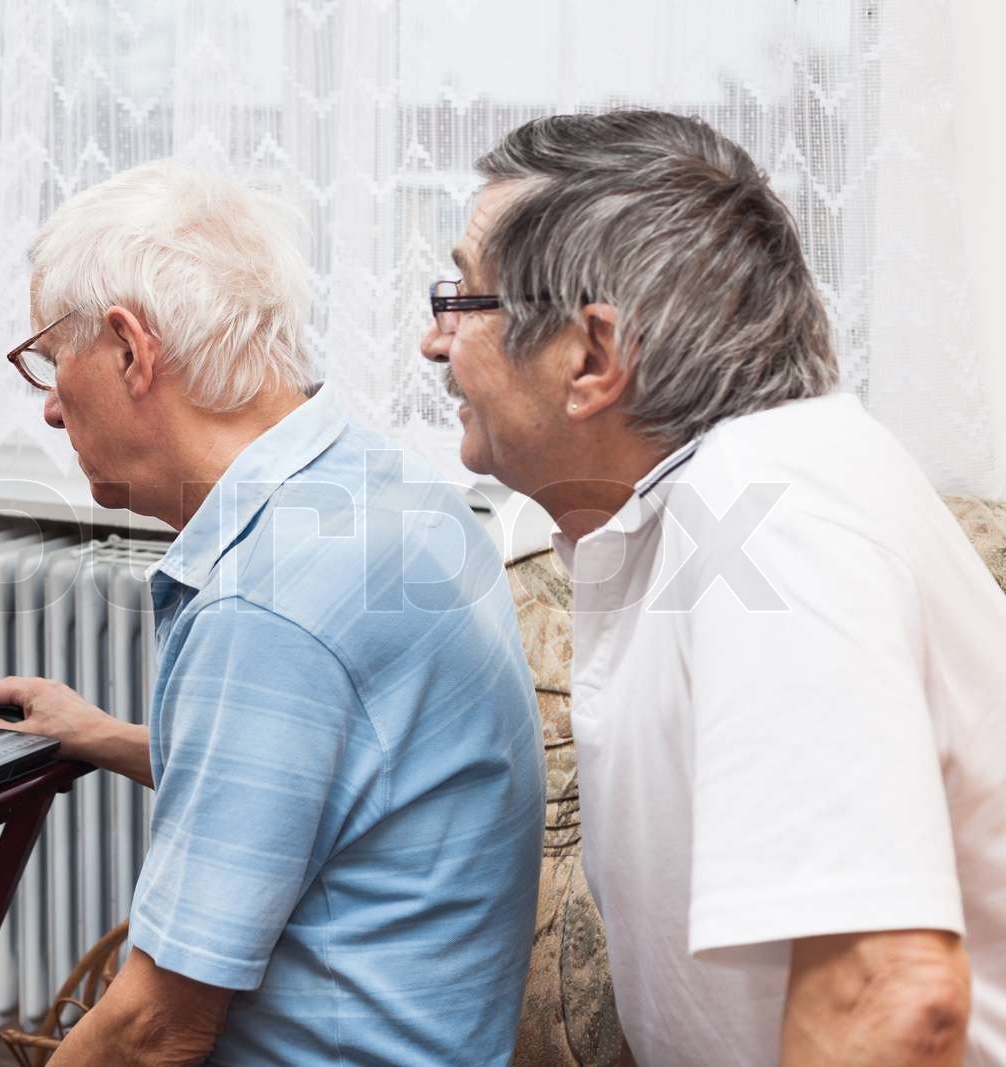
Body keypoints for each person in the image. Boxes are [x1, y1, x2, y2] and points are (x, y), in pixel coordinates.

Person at [420, 108, 1006, 1066]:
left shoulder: (772, 514)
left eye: (463, 299)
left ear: (592, 358)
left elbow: (891, 998)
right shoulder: (697, 512)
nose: (434, 342)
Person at [0, 162, 545, 1065]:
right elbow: (342, 782)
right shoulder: (391, 490)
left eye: (49, 358)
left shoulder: (268, 603)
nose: (47, 406)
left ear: (130, 348)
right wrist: (107, 734)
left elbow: (159, 1028)